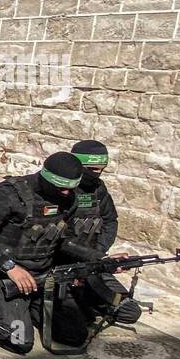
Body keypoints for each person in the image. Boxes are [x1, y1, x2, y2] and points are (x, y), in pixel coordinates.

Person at [0, 151, 99, 353]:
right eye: (60, 188)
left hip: (43, 278)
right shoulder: (8, 194)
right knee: (18, 341)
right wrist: (9, 267)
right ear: (45, 177)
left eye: (71, 189)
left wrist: (96, 258)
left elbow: (64, 240)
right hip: (6, 276)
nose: (66, 194)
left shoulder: (70, 198)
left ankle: (27, 309)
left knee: (75, 335)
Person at [66, 140, 142, 328]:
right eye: (92, 169)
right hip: (62, 263)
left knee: (129, 310)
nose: (97, 174)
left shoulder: (98, 189)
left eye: (101, 169)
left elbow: (110, 221)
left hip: (91, 263)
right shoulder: (62, 188)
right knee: (71, 323)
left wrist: (99, 255)